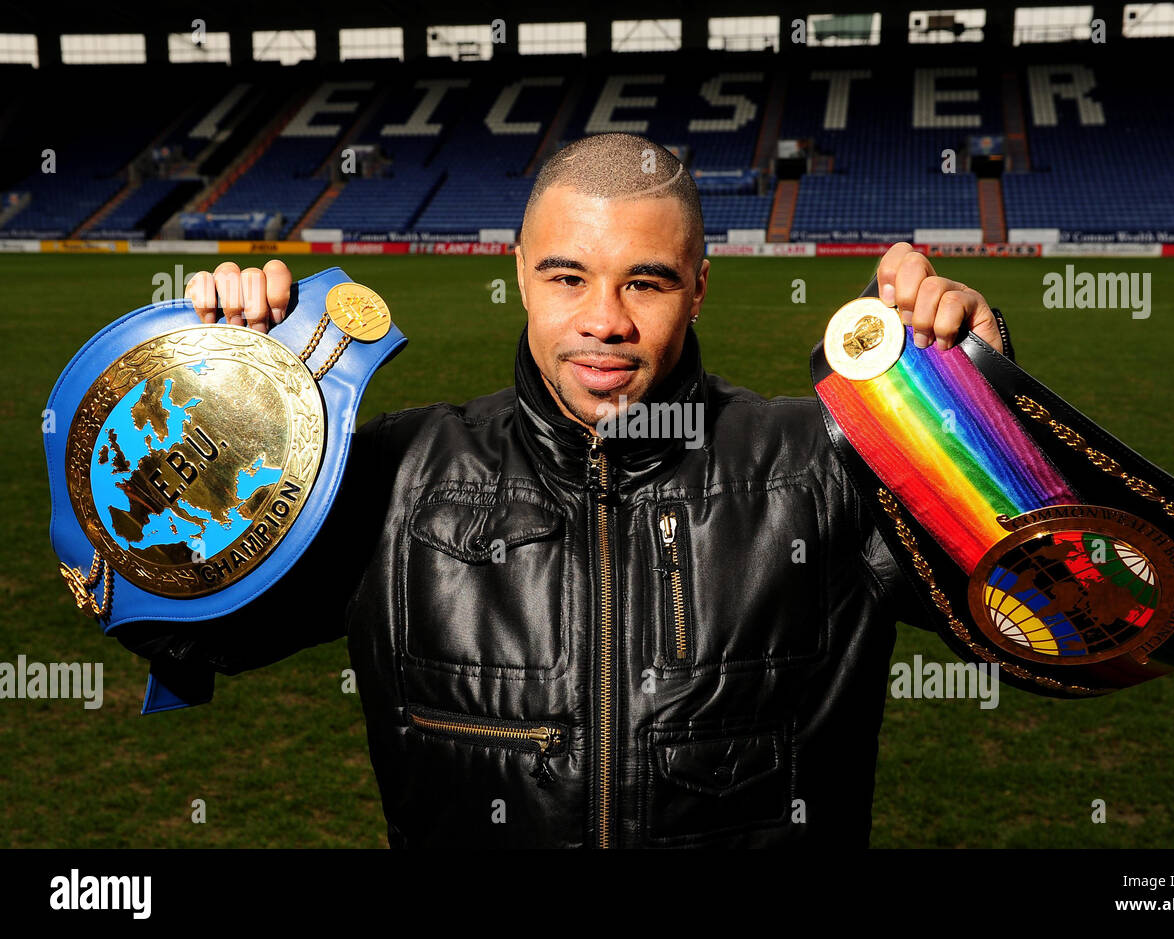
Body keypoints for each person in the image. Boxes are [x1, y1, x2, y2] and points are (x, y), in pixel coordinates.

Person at [116, 132, 1011, 848]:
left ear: (698, 288)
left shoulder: (822, 468)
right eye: (568, 276)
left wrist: (973, 409)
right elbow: (174, 625)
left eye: (646, 282)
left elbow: (1059, 614)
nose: (604, 321)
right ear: (519, 276)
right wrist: (218, 386)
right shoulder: (395, 476)